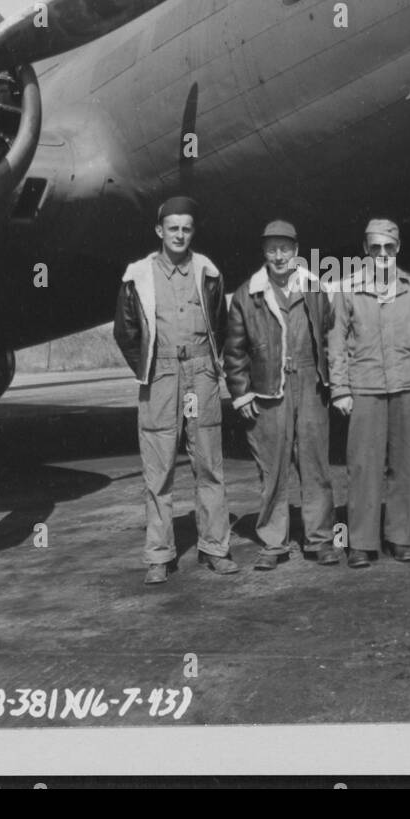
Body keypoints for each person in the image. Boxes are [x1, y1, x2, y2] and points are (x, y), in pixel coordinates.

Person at [114, 196, 237, 584]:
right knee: (158, 468)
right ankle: (159, 555)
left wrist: (213, 367)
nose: (179, 235)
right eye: (173, 228)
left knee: (209, 465)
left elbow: (221, 323)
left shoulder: (209, 272)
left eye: (186, 228)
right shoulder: (137, 274)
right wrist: (149, 368)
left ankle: (215, 548)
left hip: (201, 371)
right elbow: (126, 331)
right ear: (159, 231)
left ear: (192, 231)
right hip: (161, 373)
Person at [223, 220, 338, 571]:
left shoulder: (315, 289)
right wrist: (241, 394)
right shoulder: (247, 294)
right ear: (264, 252)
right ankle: (274, 542)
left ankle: (319, 539)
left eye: (284, 248)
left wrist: (334, 381)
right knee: (272, 468)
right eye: (272, 249)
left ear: (296, 251)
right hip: (268, 388)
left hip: (310, 383)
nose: (278, 256)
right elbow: (235, 351)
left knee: (315, 465)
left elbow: (331, 334)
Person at [328, 219, 410, 567]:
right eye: (374, 247)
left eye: (388, 247)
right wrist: (340, 390)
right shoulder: (348, 290)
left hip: (407, 386)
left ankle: (400, 537)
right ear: (365, 250)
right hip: (365, 387)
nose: (381, 254)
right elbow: (336, 344)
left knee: (404, 466)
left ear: (397, 249)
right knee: (363, 466)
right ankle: (361, 542)